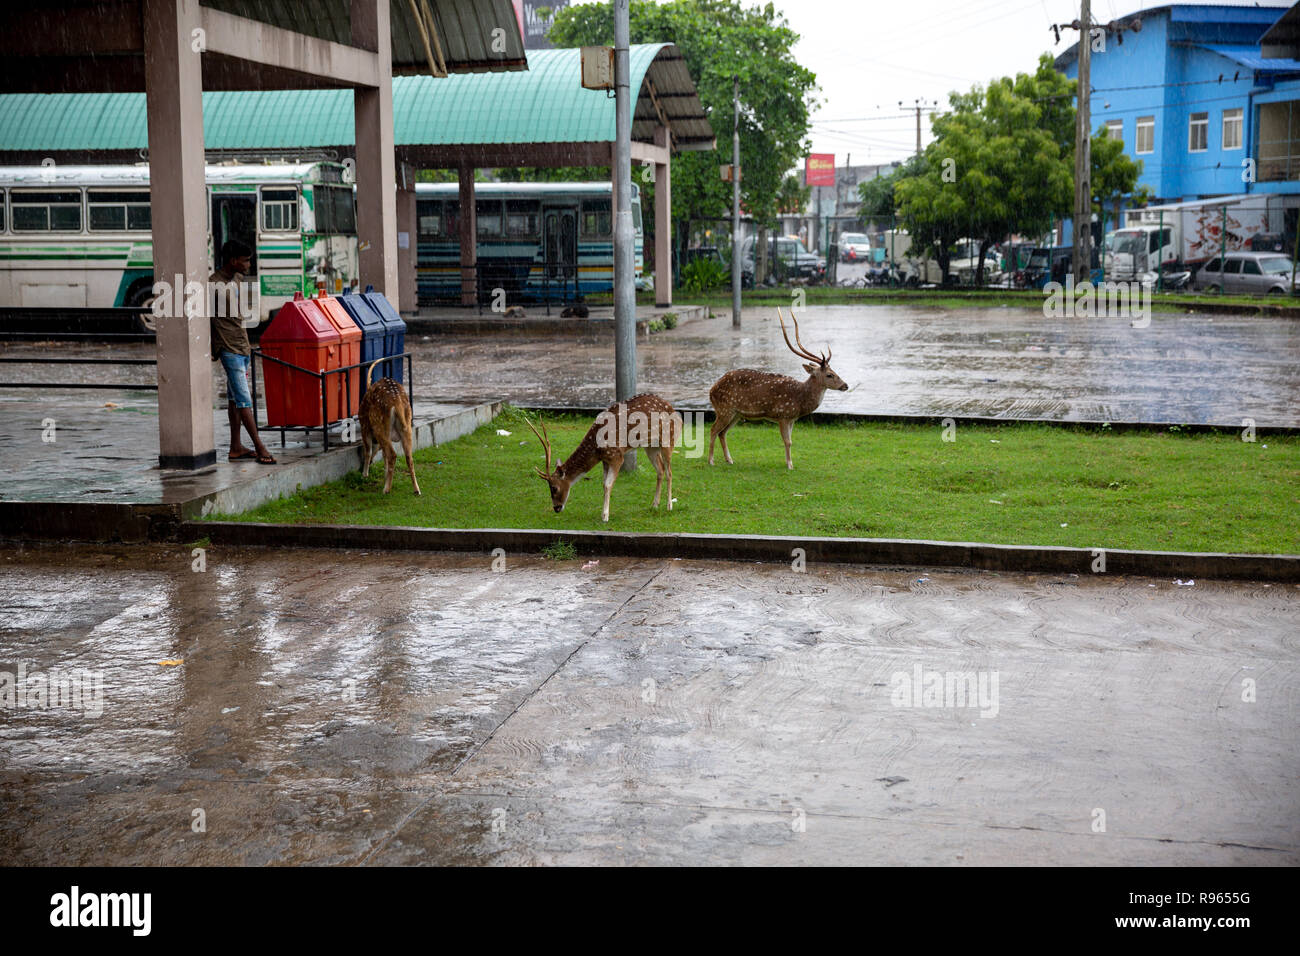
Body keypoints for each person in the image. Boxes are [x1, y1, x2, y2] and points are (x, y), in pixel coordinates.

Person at [210, 240, 275, 464]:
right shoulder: (213, 285)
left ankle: (236, 447)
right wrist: (214, 348)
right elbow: (206, 320)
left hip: (242, 345)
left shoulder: (237, 280)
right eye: (245, 260)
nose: (248, 265)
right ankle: (260, 446)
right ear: (233, 260)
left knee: (234, 399)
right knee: (244, 399)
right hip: (229, 349)